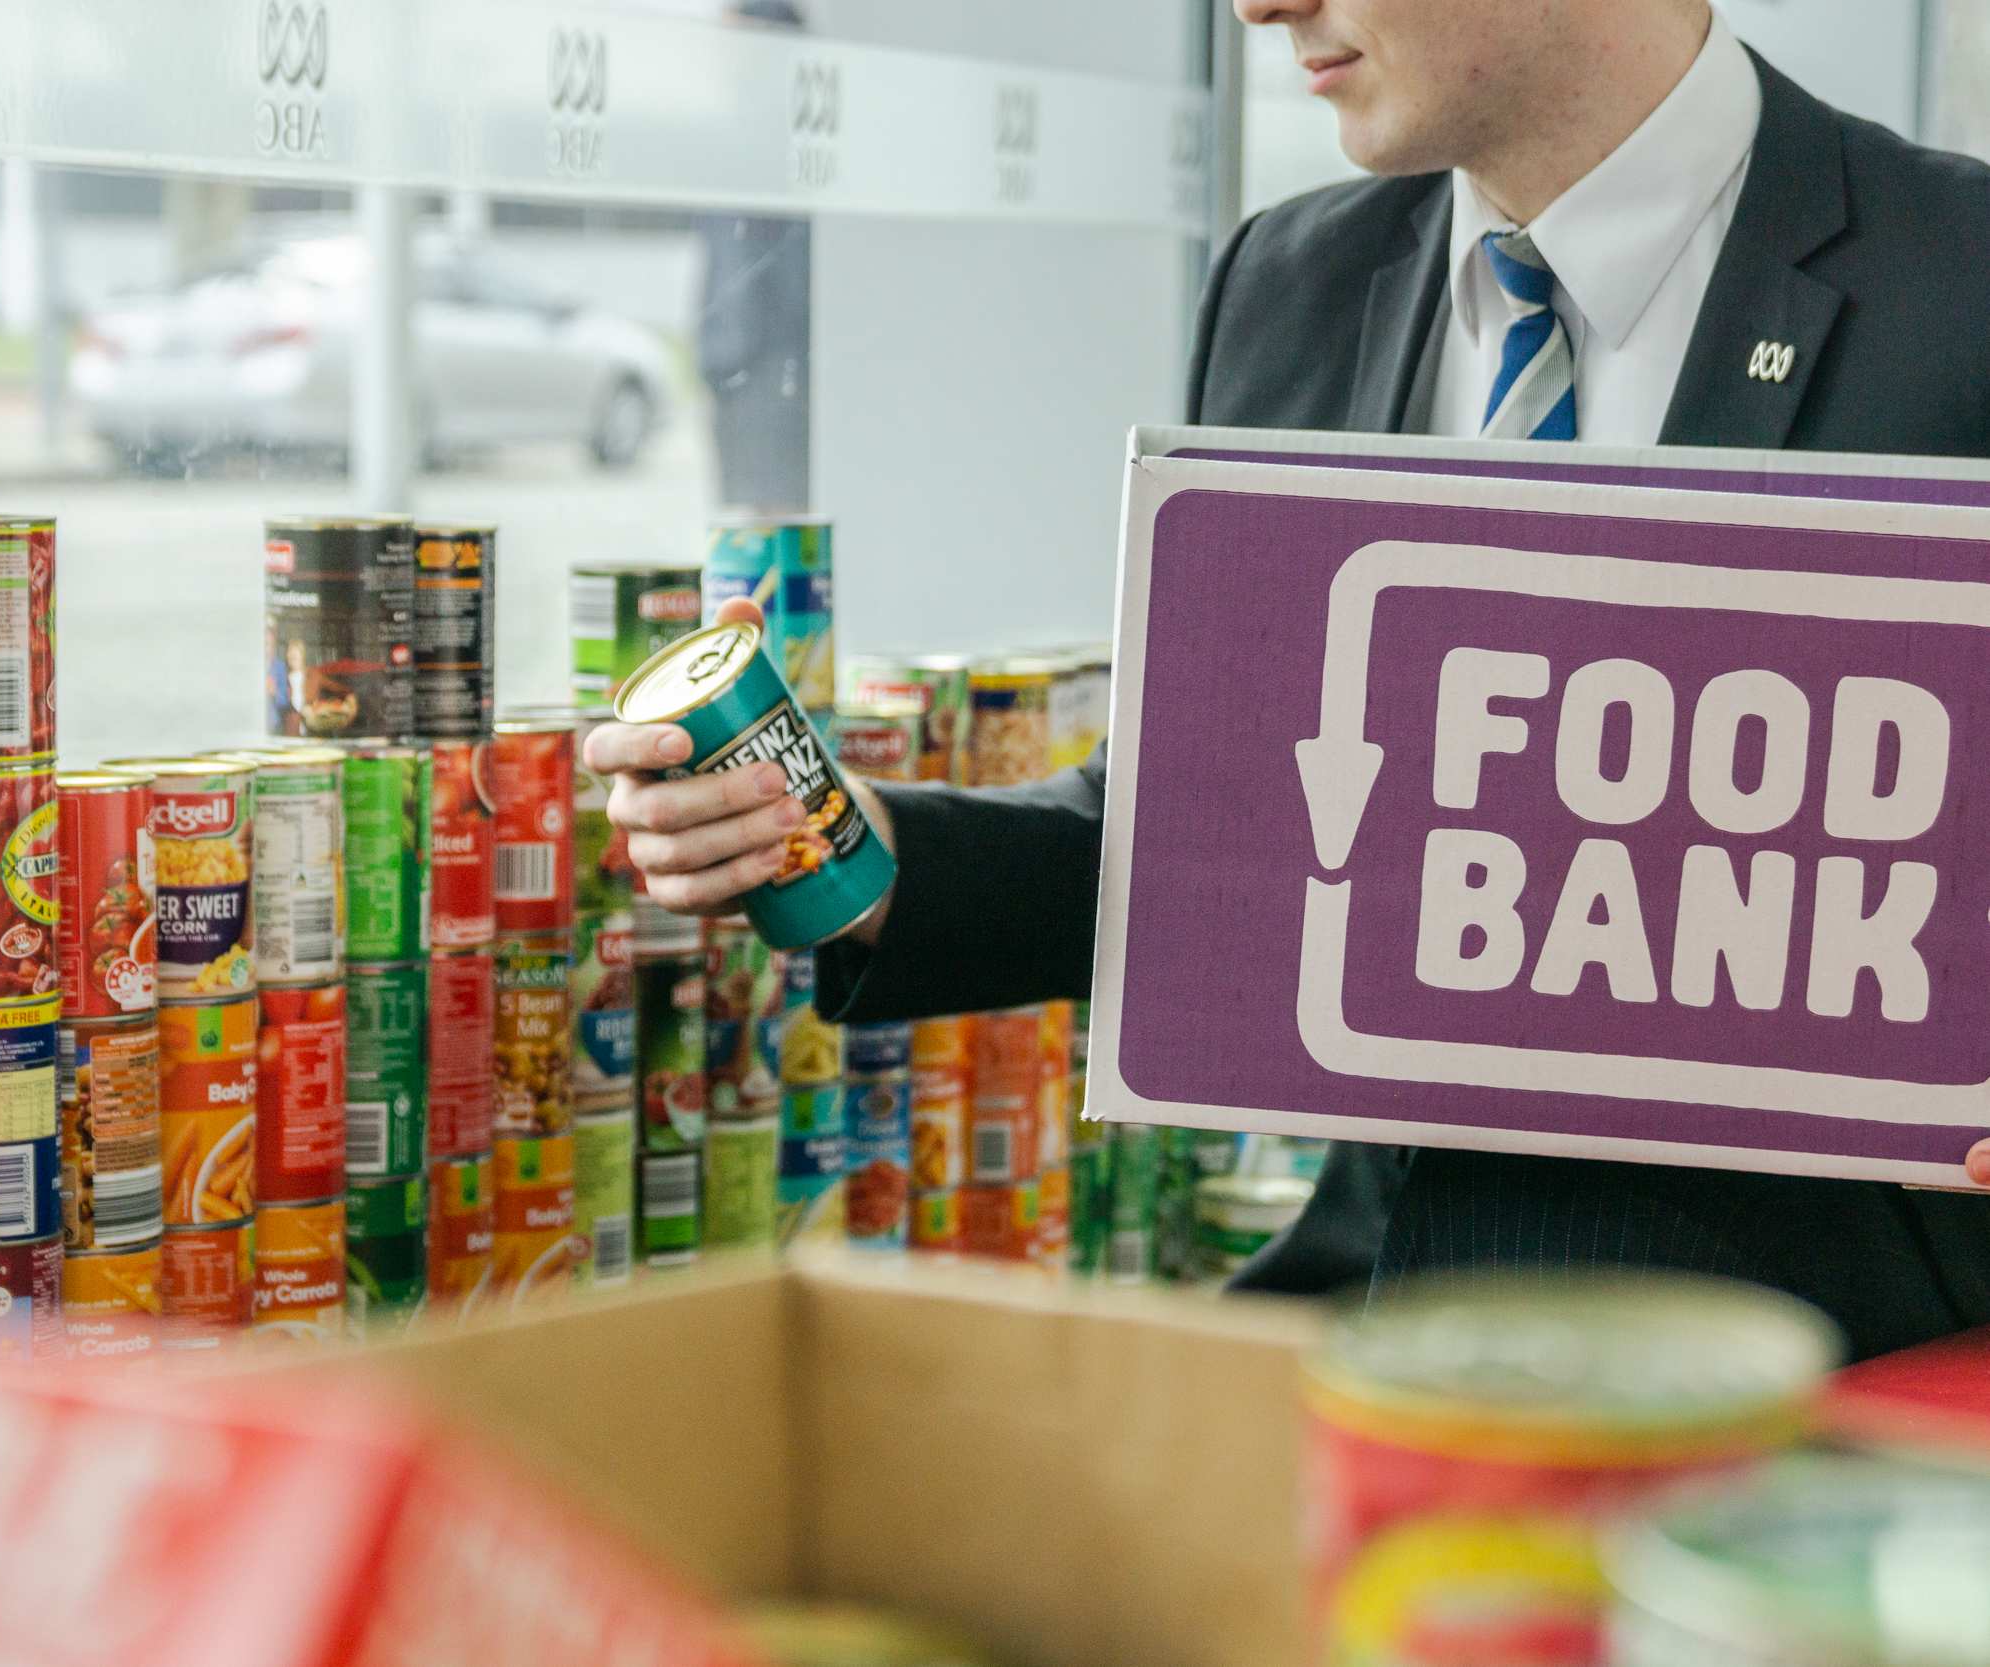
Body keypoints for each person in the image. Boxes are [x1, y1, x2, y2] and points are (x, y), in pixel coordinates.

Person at [588, 0, 1990, 1362]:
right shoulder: (1295, 282)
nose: (1261, 6)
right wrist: (864, 852)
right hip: (1369, 1331)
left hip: (1832, 1367)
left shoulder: (1963, 276)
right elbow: (1232, 827)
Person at [697, 1, 814, 511]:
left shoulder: (784, 141)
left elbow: (772, 267)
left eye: (736, 44)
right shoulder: (736, 138)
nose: (724, 60)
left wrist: (738, 358)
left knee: (777, 520)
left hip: (772, 370)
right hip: (742, 370)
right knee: (753, 522)